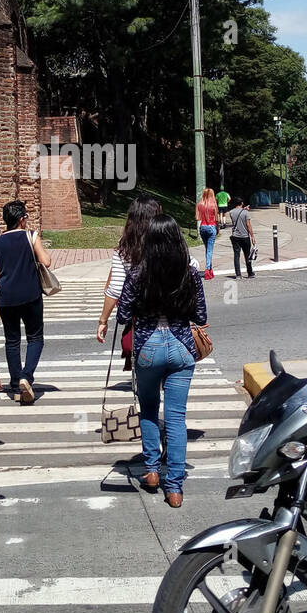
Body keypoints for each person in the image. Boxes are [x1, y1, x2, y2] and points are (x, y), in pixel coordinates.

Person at [116, 213, 208, 507]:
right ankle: (175, 487)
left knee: (149, 410)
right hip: (181, 346)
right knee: (177, 418)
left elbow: (121, 315)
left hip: (147, 347)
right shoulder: (189, 273)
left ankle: (152, 471)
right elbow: (201, 316)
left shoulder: (137, 273)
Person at [0, 199, 51, 404]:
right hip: (30, 295)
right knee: (35, 338)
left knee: (12, 341)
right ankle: (27, 376)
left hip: (6, 298)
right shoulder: (30, 236)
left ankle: (16, 386)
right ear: (21, 219)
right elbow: (46, 261)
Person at [96, 193, 161, 365]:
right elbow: (191, 264)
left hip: (139, 314)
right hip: (170, 311)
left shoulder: (125, 247)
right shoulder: (167, 240)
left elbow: (116, 288)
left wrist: (103, 320)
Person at [228, 196, 256, 279]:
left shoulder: (231, 212)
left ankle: (238, 274)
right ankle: (250, 272)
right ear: (242, 203)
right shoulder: (245, 213)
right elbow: (248, 225)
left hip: (235, 236)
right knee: (247, 255)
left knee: (236, 255)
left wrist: (244, 209)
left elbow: (237, 217)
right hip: (245, 236)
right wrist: (252, 236)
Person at [195, 187, 219, 279]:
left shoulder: (199, 204)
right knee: (209, 250)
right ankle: (208, 270)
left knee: (207, 249)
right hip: (211, 226)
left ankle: (210, 269)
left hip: (202, 227)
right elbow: (217, 219)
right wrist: (218, 228)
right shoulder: (213, 205)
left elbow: (197, 218)